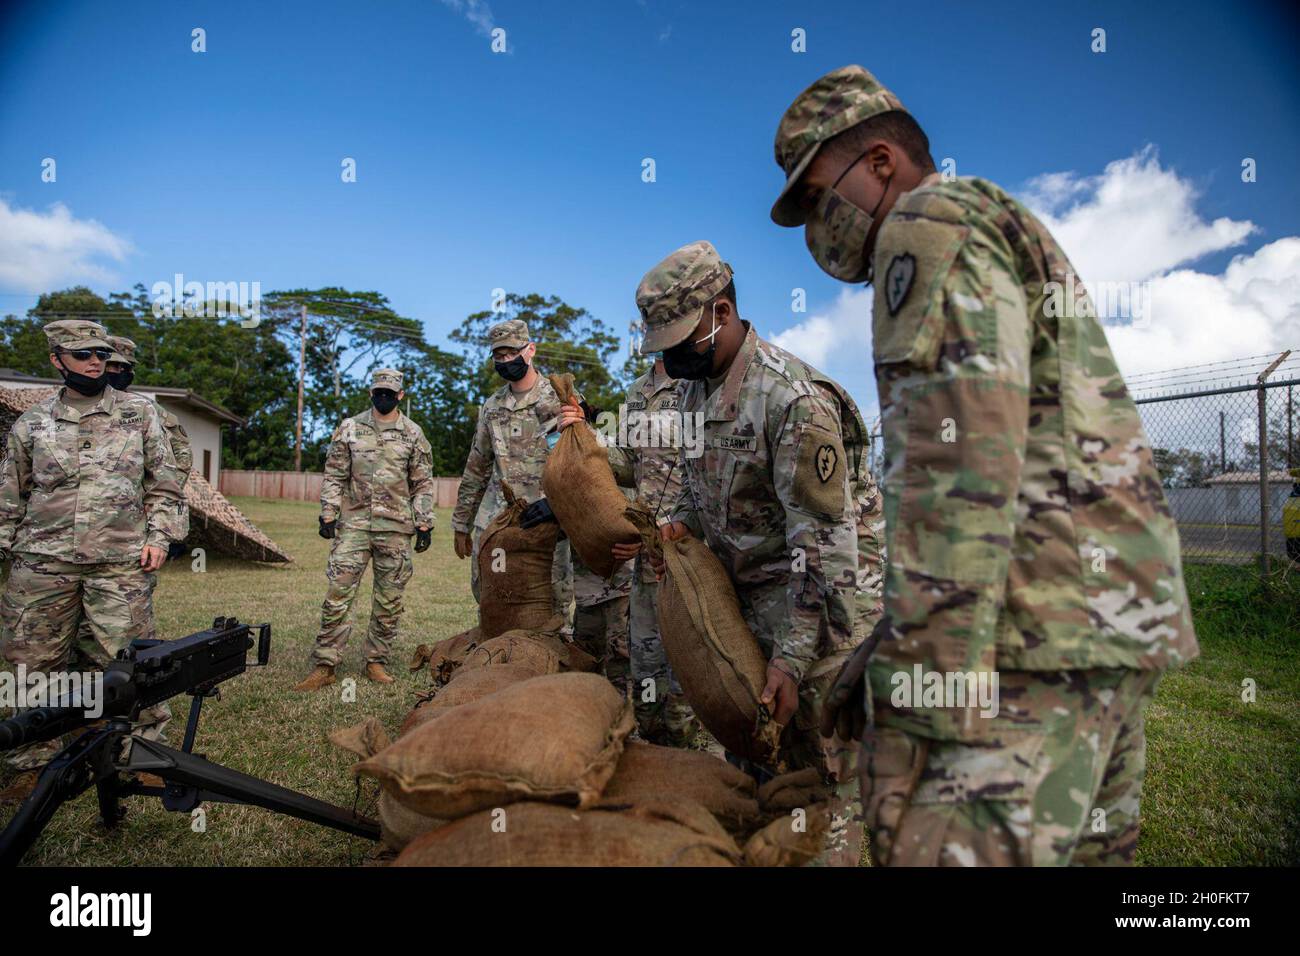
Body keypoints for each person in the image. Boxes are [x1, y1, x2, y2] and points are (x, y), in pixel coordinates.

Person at [770, 65, 1199, 865]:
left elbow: (960, 462)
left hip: (1020, 652)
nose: (815, 231)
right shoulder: (999, 221)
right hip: (1102, 627)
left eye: (820, 197)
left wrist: (920, 692)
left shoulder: (923, 226)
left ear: (881, 163)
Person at [580, 240, 872, 865]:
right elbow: (694, 487)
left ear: (721, 312)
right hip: (743, 608)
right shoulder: (694, 391)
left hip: (814, 617)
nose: (671, 356)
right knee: (750, 773)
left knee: (816, 792)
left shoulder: (791, 399)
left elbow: (823, 549)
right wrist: (678, 530)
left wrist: (792, 661)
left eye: (681, 338)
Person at [0, 320, 187, 802]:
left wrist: (161, 535)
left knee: (132, 664)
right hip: (40, 564)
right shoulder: (32, 424)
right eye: (82, 354)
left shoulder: (140, 415)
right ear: (56, 360)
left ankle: (141, 753)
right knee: (30, 667)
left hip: (119, 562)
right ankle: (30, 764)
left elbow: (165, 484)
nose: (95, 362)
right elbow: (9, 498)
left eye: (101, 354)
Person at [295, 369, 434, 690]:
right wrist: (328, 513)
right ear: (371, 392)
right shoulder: (350, 428)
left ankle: (376, 661)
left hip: (396, 528)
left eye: (389, 392)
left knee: (389, 600)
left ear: (400, 395)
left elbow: (422, 482)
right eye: (378, 391)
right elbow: (334, 474)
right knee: (337, 594)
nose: (383, 396)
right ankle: (325, 664)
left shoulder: (413, 433)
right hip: (354, 525)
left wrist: (424, 521)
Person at [450, 319, 576, 628]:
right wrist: (461, 524)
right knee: (490, 587)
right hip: (500, 516)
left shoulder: (561, 398)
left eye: (512, 353)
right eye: (499, 356)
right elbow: (477, 467)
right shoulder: (492, 406)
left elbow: (581, 461)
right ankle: (499, 654)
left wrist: (559, 506)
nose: (506, 361)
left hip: (549, 516)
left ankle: (555, 663)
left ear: (530, 350)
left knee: (554, 596)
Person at [605, 355, 699, 746]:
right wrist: (589, 440)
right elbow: (628, 463)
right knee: (644, 656)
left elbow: (709, 464)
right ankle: (650, 735)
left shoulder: (698, 383)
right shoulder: (637, 391)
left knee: (684, 655)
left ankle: (682, 743)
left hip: (688, 546)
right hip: (646, 548)